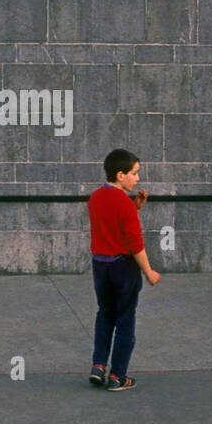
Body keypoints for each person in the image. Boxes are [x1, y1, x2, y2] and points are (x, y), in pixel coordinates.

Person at [87, 148, 162, 392]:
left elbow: (110, 225)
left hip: (100, 266)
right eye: (134, 173)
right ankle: (118, 375)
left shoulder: (95, 198)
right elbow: (134, 244)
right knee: (125, 321)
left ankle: (98, 366)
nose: (137, 179)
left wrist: (135, 207)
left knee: (105, 314)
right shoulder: (125, 205)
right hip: (123, 267)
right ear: (120, 175)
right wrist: (149, 272)